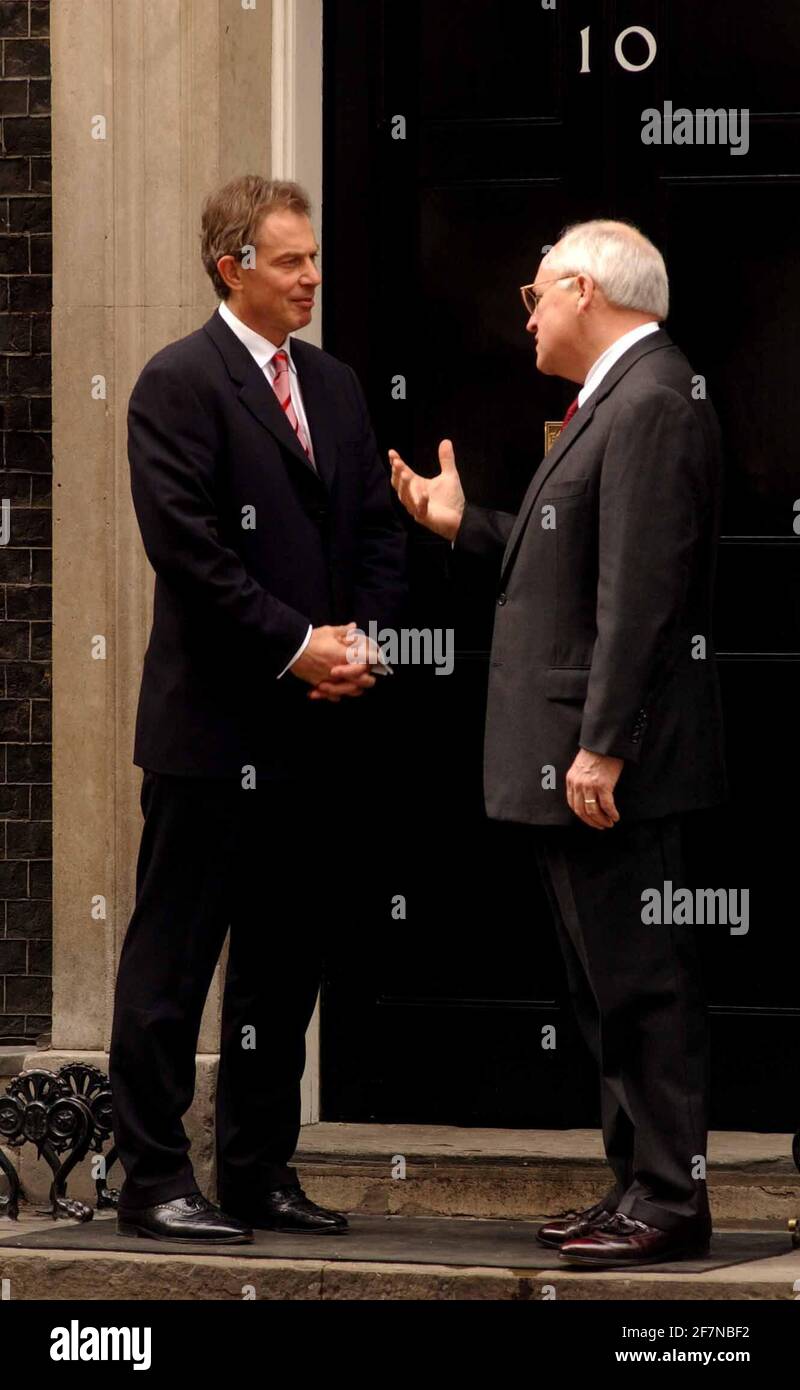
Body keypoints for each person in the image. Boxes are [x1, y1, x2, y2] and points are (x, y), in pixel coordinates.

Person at [390, 220, 727, 1268]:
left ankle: (672, 1198)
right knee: (601, 988)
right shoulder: (611, 402)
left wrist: (602, 746)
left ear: (581, 289)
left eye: (535, 296)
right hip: (577, 759)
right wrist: (464, 526)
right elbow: (567, 561)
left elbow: (642, 596)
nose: (524, 316)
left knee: (641, 984)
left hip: (608, 767)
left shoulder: (653, 400)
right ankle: (635, 1182)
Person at [109, 175, 406, 1244]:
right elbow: (188, 552)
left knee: (280, 970)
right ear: (231, 265)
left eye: (313, 258)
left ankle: (255, 1171)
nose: (311, 276)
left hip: (315, 734)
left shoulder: (334, 385)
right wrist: (295, 646)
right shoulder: (175, 384)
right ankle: (150, 1177)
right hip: (212, 732)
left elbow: (374, 527)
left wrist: (358, 641)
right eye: (290, 261)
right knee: (172, 963)